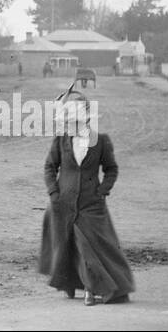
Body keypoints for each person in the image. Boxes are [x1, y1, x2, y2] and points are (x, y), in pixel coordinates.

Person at [39, 91, 134, 305]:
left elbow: (111, 169)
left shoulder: (101, 141)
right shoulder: (61, 140)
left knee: (89, 246)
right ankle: (70, 283)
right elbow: (49, 167)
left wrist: (102, 191)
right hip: (63, 202)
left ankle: (91, 289)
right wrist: (54, 193)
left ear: (88, 117)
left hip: (91, 204)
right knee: (67, 246)